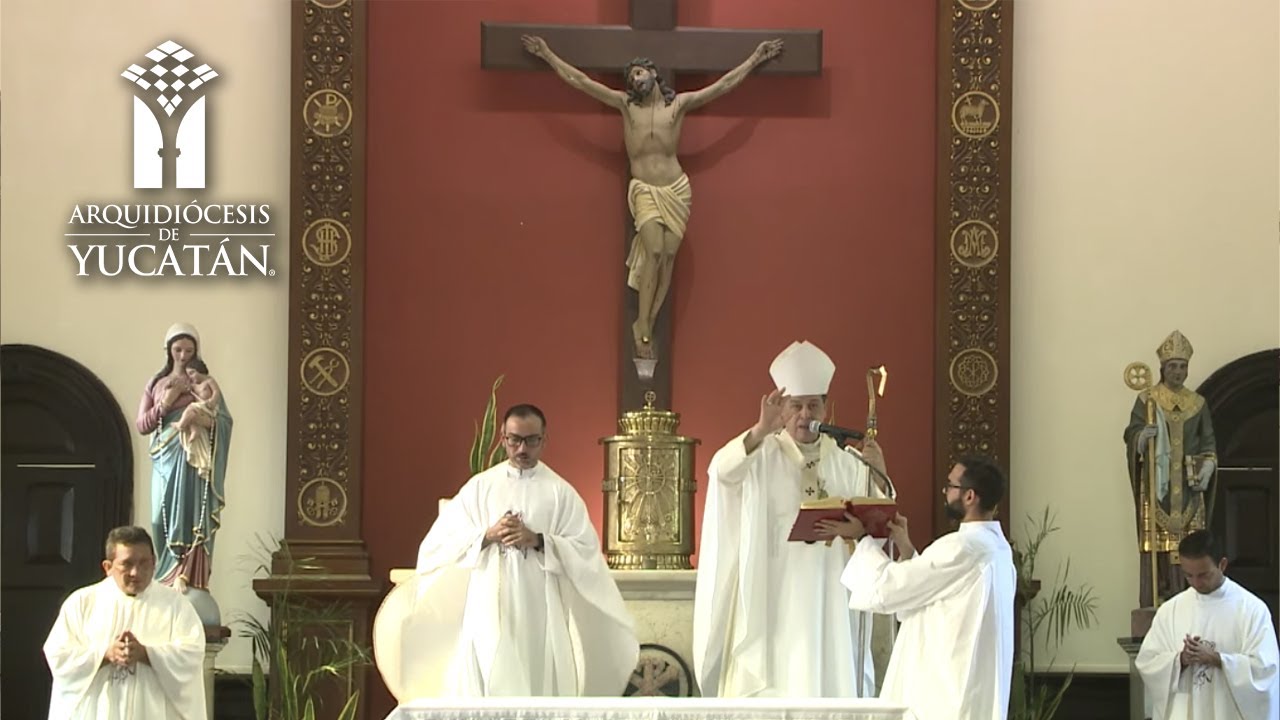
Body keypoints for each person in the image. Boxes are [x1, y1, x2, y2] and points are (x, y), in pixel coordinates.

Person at [521, 35, 783, 360]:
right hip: (644, 189)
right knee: (654, 251)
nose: (634, 79)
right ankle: (641, 323)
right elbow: (581, 81)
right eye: (630, 76)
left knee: (667, 258)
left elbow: (723, 85)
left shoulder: (678, 105)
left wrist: (756, 58)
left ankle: (648, 323)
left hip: (676, 189)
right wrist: (547, 53)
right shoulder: (626, 106)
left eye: (639, 72)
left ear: (654, 73)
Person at [693, 340, 891, 698]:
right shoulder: (760, 453)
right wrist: (759, 430)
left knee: (829, 670)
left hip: (830, 586)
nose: (804, 414)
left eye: (813, 405)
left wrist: (879, 474)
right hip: (774, 586)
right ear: (781, 409)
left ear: (826, 409)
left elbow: (881, 517)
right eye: (795, 405)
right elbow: (721, 473)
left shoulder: (846, 460)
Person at [409, 404, 638, 696]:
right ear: (502, 438)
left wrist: (539, 540)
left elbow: (585, 550)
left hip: (539, 604)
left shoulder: (560, 492)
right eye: (515, 440)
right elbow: (438, 543)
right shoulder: (479, 488)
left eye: (531, 440)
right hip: (487, 602)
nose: (522, 449)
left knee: (536, 673)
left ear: (544, 440)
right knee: (490, 671)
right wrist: (487, 535)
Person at [840, 456, 1015, 720]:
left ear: (969, 496)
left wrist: (862, 538)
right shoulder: (997, 549)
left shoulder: (962, 547)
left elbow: (887, 589)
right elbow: (936, 592)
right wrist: (907, 549)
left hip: (943, 692)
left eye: (951, 486)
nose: (945, 491)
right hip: (969, 688)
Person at [43, 526, 206, 719]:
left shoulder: (176, 605)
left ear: (154, 563)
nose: (136, 572)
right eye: (126, 564)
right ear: (108, 567)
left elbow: (192, 653)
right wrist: (105, 654)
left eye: (144, 563)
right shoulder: (82, 603)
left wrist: (147, 654)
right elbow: (58, 655)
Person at [1135, 530, 1279, 719]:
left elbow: (1265, 670)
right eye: (1189, 575)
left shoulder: (1251, 609)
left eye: (1203, 575)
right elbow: (1147, 662)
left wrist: (1218, 659)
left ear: (1222, 564)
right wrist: (1180, 660)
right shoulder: (1170, 610)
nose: (1196, 583)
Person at [136, 322, 233, 593]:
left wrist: (204, 419)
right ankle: (166, 575)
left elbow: (223, 420)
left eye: (188, 351)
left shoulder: (203, 382)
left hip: (194, 456)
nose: (182, 356)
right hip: (165, 455)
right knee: (160, 518)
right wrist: (168, 400)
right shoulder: (156, 383)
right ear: (168, 350)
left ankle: (190, 576)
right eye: (177, 349)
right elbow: (142, 425)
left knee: (193, 516)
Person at [1124, 330, 1218, 607]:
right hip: (1157, 488)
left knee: (1191, 544)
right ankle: (1158, 597)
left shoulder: (1198, 403)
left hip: (1189, 489)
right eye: (1173, 366)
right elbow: (1131, 434)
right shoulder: (1148, 400)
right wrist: (1142, 437)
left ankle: (1190, 599)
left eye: (1183, 366)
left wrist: (1207, 466)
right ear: (1163, 368)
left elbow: (1209, 443)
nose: (1178, 372)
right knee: (1156, 548)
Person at [174, 358, 222, 482]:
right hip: (199, 408)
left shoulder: (209, 381)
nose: (190, 377)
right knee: (192, 415)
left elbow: (216, 392)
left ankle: (180, 425)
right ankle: (194, 430)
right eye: (188, 374)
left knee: (190, 409)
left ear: (199, 370)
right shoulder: (194, 386)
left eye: (192, 373)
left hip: (208, 408)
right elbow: (185, 388)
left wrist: (212, 401)